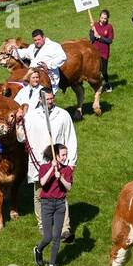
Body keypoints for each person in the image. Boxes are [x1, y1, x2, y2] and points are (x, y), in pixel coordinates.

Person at [23, 88, 78, 243]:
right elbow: (22, 138)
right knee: (40, 194)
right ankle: (43, 225)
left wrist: (71, 162)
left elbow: (71, 138)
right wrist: (20, 124)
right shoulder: (31, 117)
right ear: (40, 100)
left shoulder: (63, 115)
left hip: (59, 162)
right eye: (47, 99)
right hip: (39, 163)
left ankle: (65, 229)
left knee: (61, 194)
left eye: (52, 98)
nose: (50, 101)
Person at [33, 143, 73, 266]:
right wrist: (52, 169)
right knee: (48, 236)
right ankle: (38, 250)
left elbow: (68, 187)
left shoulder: (67, 170)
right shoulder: (44, 167)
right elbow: (43, 183)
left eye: (66, 155)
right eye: (62, 155)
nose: (65, 157)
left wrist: (60, 177)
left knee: (56, 237)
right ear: (55, 156)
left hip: (60, 204)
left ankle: (51, 265)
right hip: (47, 204)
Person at [17, 28, 67, 92]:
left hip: (48, 75)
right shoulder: (32, 47)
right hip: (33, 75)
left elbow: (62, 57)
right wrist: (13, 51)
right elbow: (24, 53)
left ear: (43, 37)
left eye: (39, 39)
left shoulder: (54, 46)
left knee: (46, 97)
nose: (37, 42)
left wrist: (48, 65)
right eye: (35, 40)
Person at [88, 8, 114, 91]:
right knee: (96, 71)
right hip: (95, 52)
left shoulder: (109, 27)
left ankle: (107, 83)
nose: (103, 20)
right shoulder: (94, 25)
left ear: (107, 19)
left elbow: (109, 41)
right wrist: (92, 30)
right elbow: (92, 39)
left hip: (104, 52)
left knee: (104, 71)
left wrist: (99, 37)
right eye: (102, 18)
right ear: (99, 17)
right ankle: (98, 86)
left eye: (105, 18)